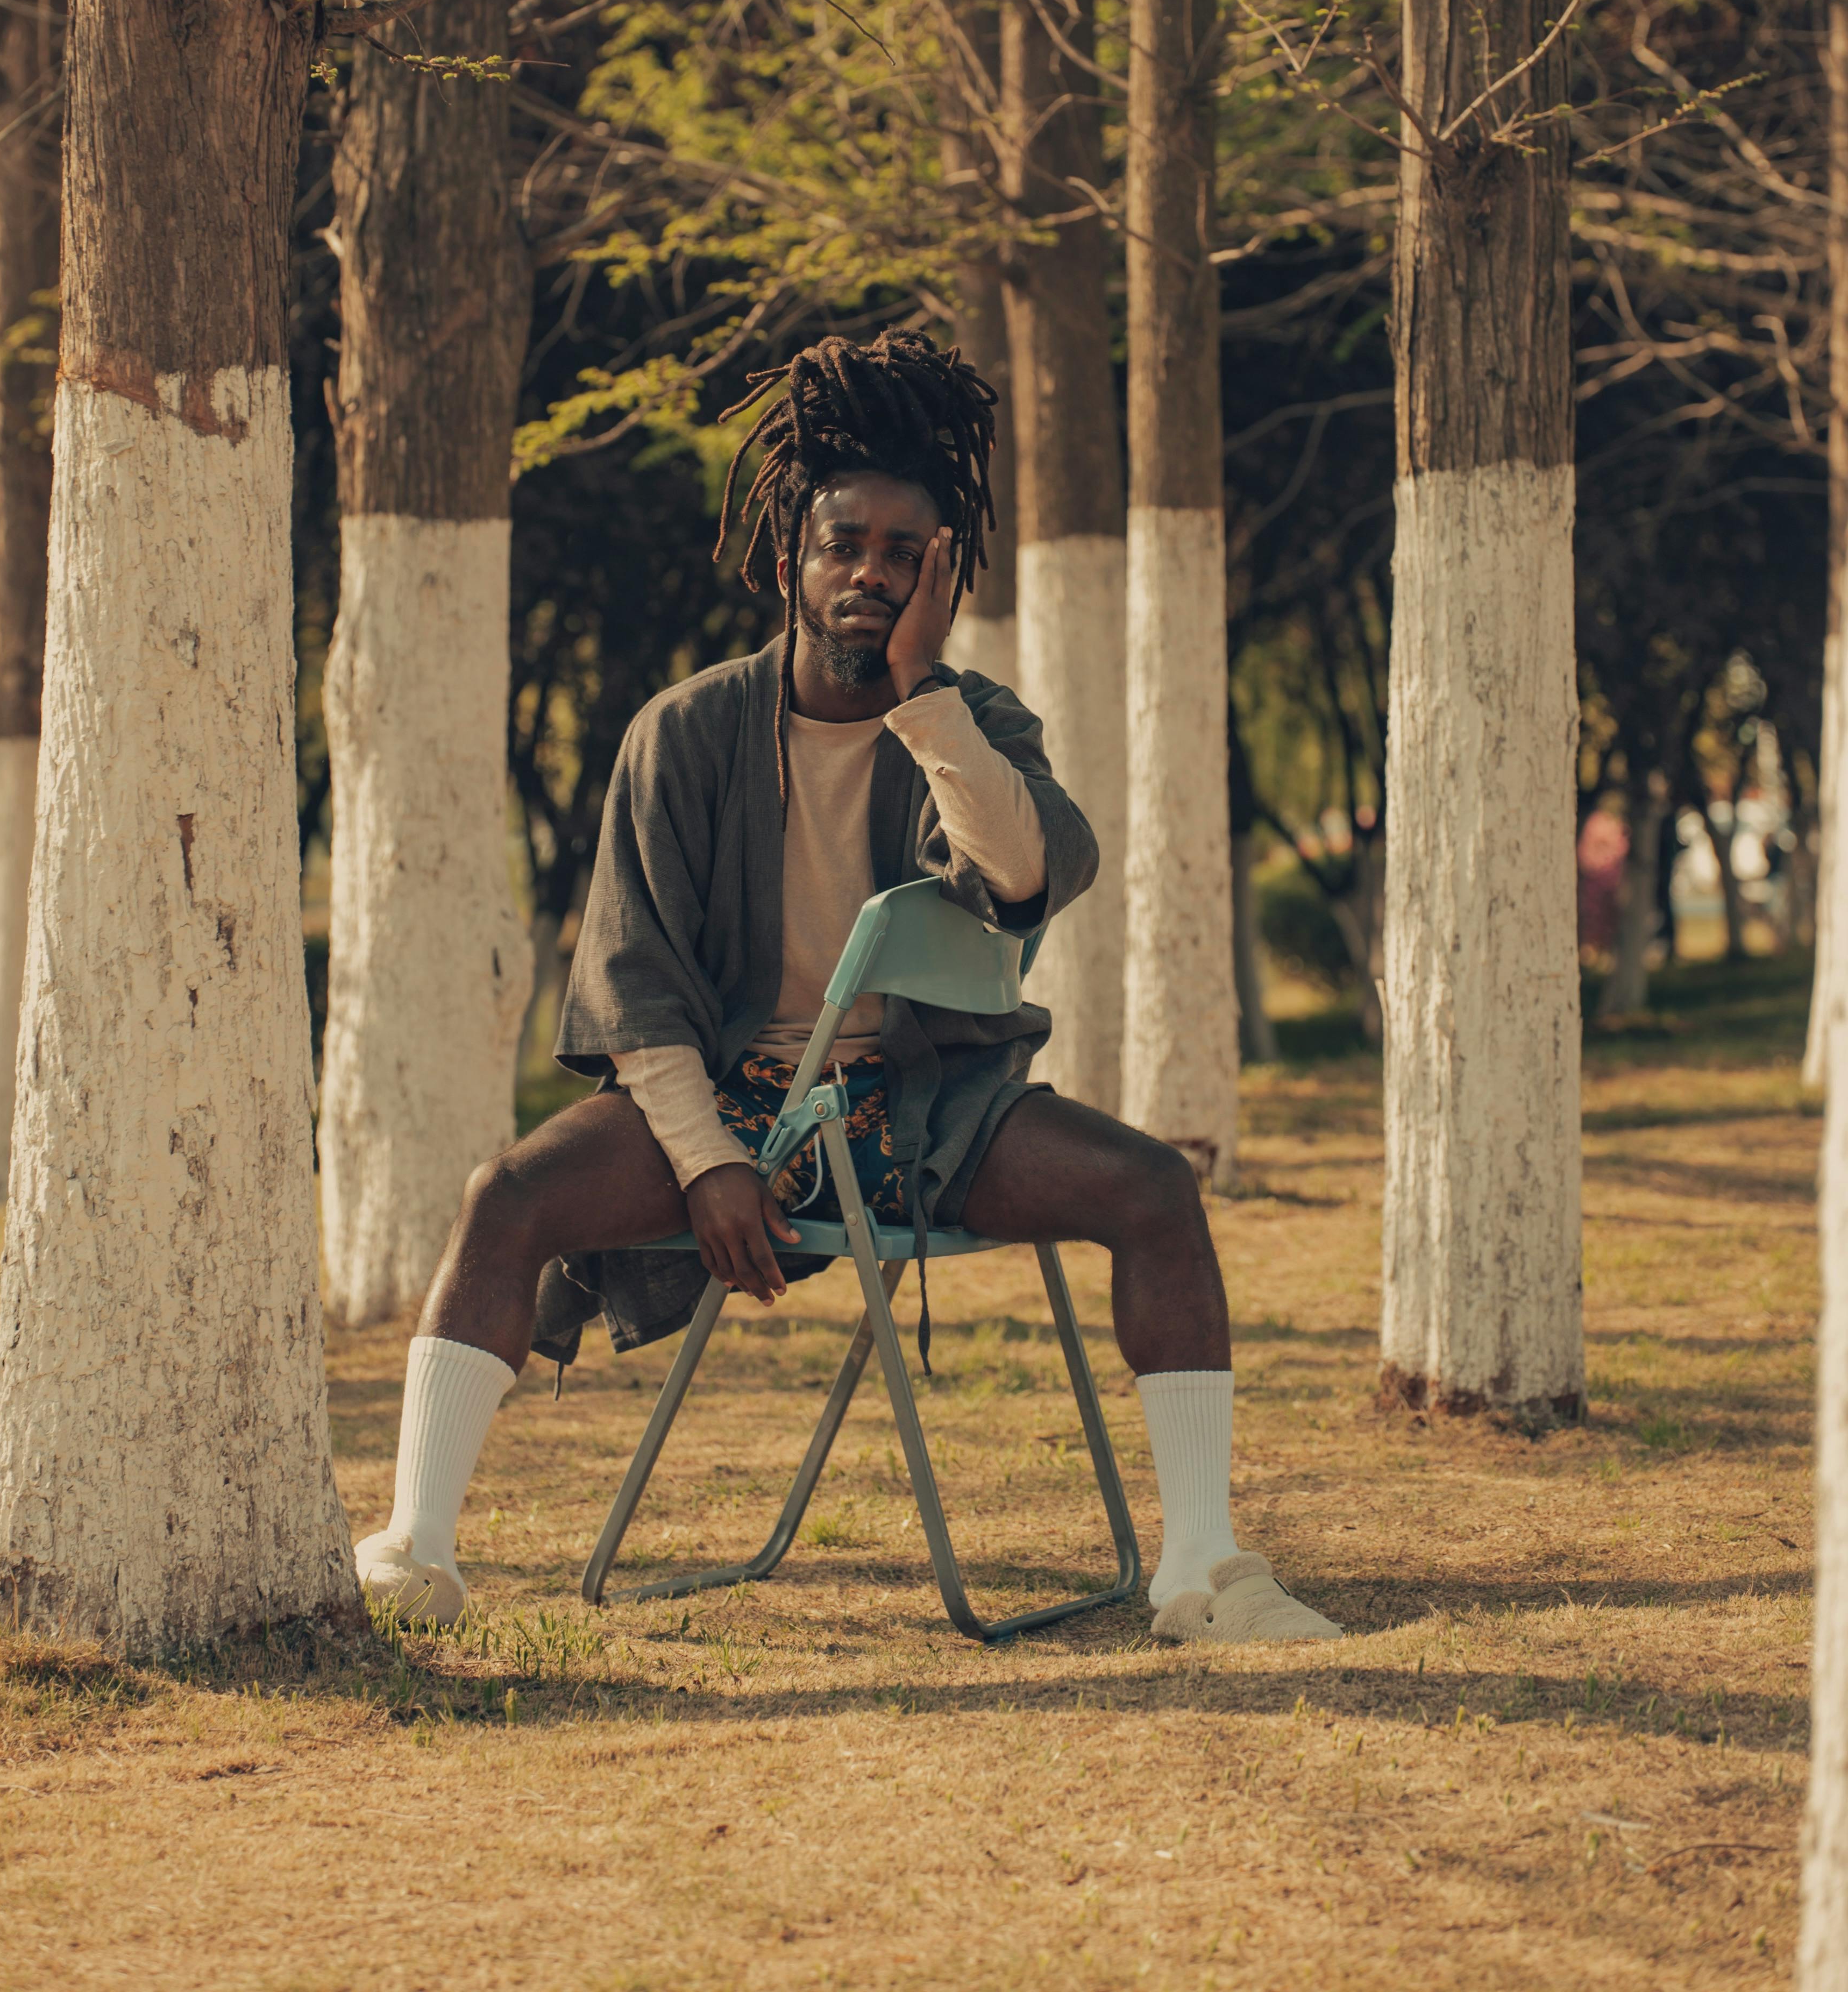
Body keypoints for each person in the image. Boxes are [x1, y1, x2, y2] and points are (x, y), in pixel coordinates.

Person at [356, 329, 1339, 1649]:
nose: (869, 573)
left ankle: (1206, 1575)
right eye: (845, 545)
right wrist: (708, 1162)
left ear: (944, 575)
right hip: (718, 1108)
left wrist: (924, 696)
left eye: (904, 554)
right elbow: (635, 983)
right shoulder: (685, 731)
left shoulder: (974, 723)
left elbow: (1026, 870)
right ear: (788, 560)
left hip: (927, 1111)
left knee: (1156, 1189)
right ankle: (414, 1555)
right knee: (508, 1198)